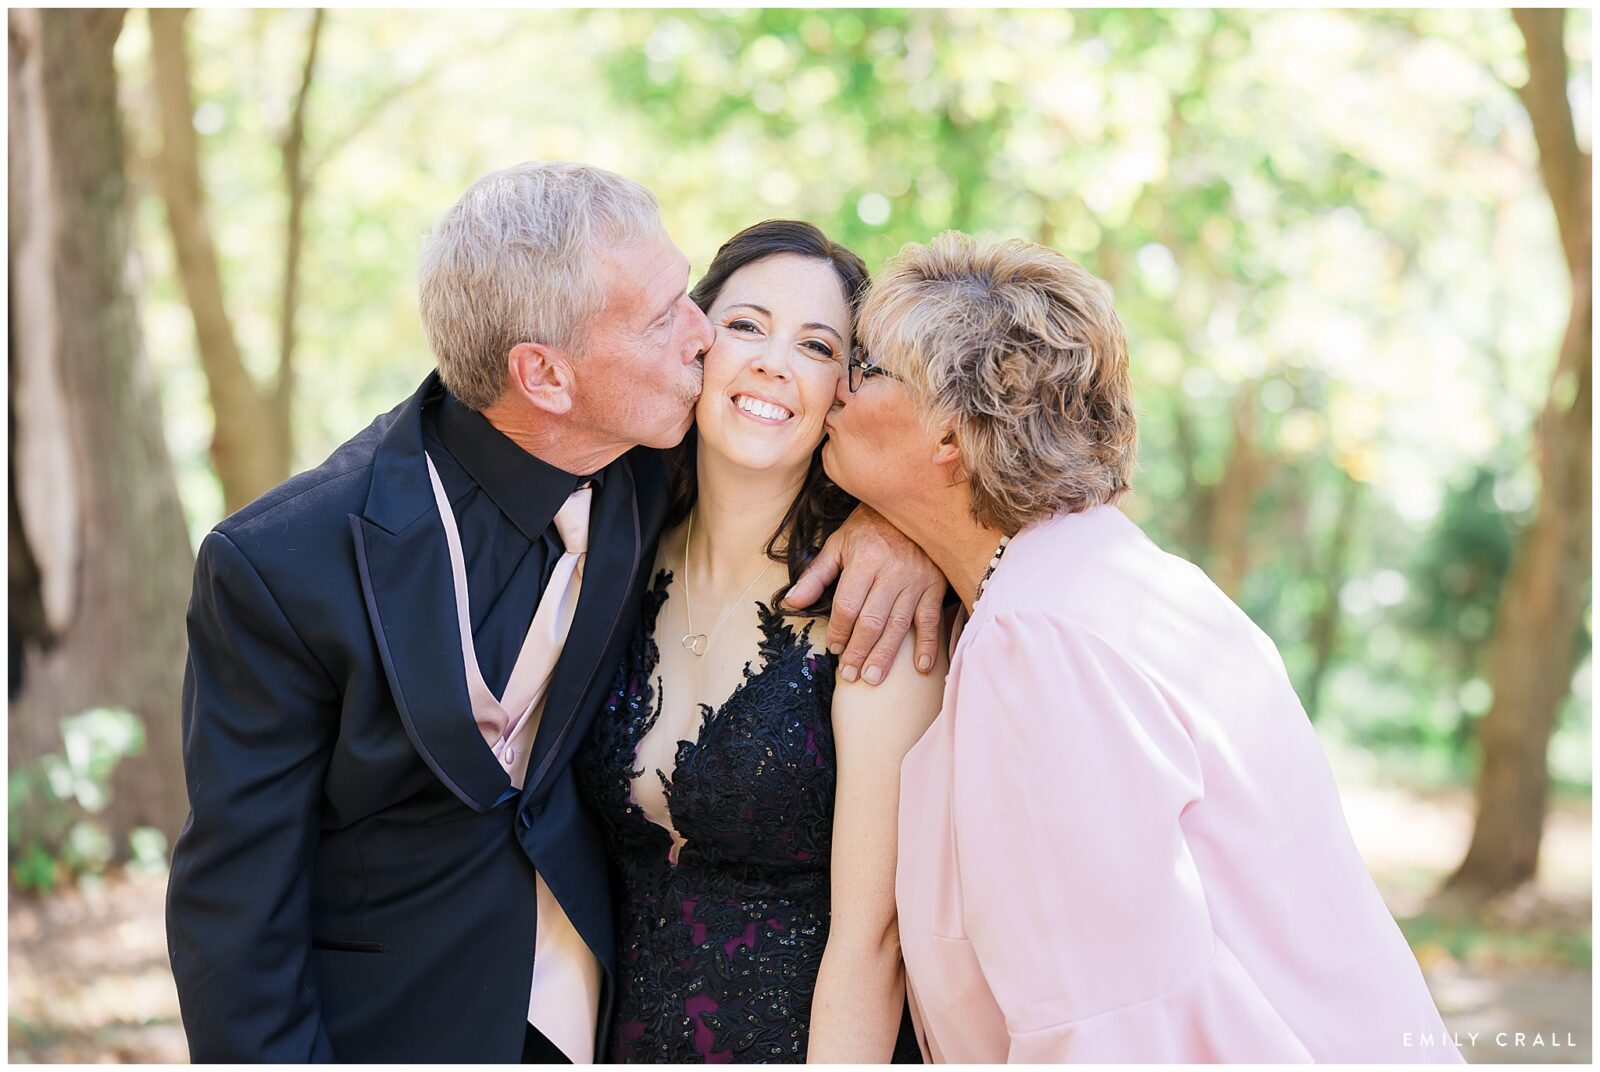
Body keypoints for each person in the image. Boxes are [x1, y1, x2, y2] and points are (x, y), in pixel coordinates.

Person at [164, 163, 945, 1063]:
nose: (702, 337)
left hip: (610, 1017)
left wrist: (897, 527)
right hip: (401, 1025)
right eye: (667, 318)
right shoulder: (281, 566)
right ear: (543, 375)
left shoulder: (648, 458)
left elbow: (803, 442)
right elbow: (236, 920)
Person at [821, 232, 1464, 1063]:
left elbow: (1107, 1021)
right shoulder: (1112, 582)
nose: (839, 382)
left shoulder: (1038, 641)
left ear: (951, 434)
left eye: (870, 368)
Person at [573, 220, 944, 1063]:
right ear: (695, 344)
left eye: (817, 345)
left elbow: (873, 942)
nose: (774, 361)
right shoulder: (615, 554)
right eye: (746, 325)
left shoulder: (874, 606)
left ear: (844, 391)